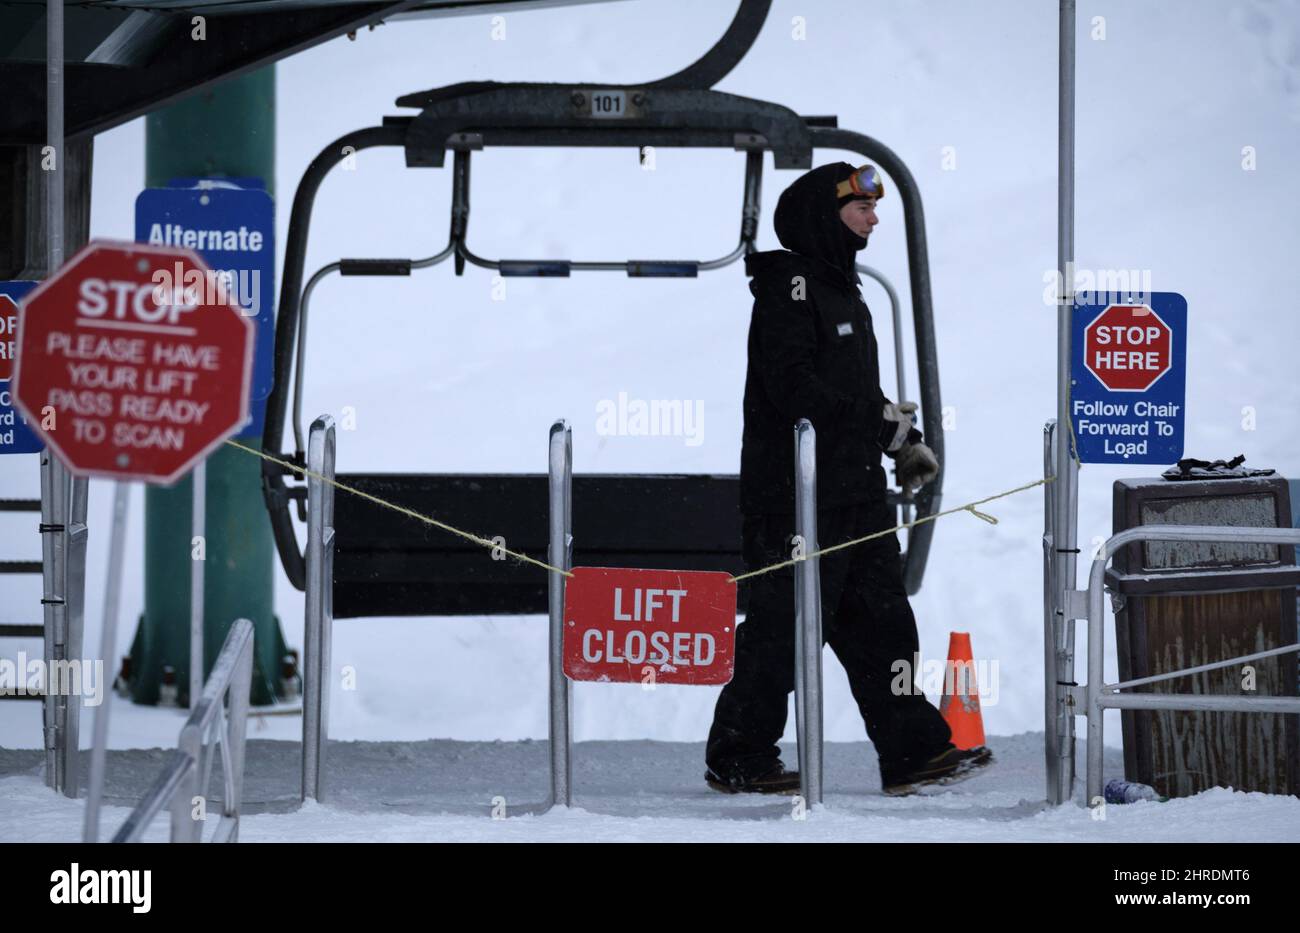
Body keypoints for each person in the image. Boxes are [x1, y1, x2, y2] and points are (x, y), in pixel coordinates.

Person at [704, 162, 992, 796]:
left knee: (882, 624)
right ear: (823, 214)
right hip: (796, 501)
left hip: (856, 499)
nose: (873, 217)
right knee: (783, 629)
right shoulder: (791, 289)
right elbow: (795, 389)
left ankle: (913, 753)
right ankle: (740, 755)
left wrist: (900, 438)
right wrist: (875, 422)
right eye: (860, 207)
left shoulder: (844, 290)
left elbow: (854, 393)